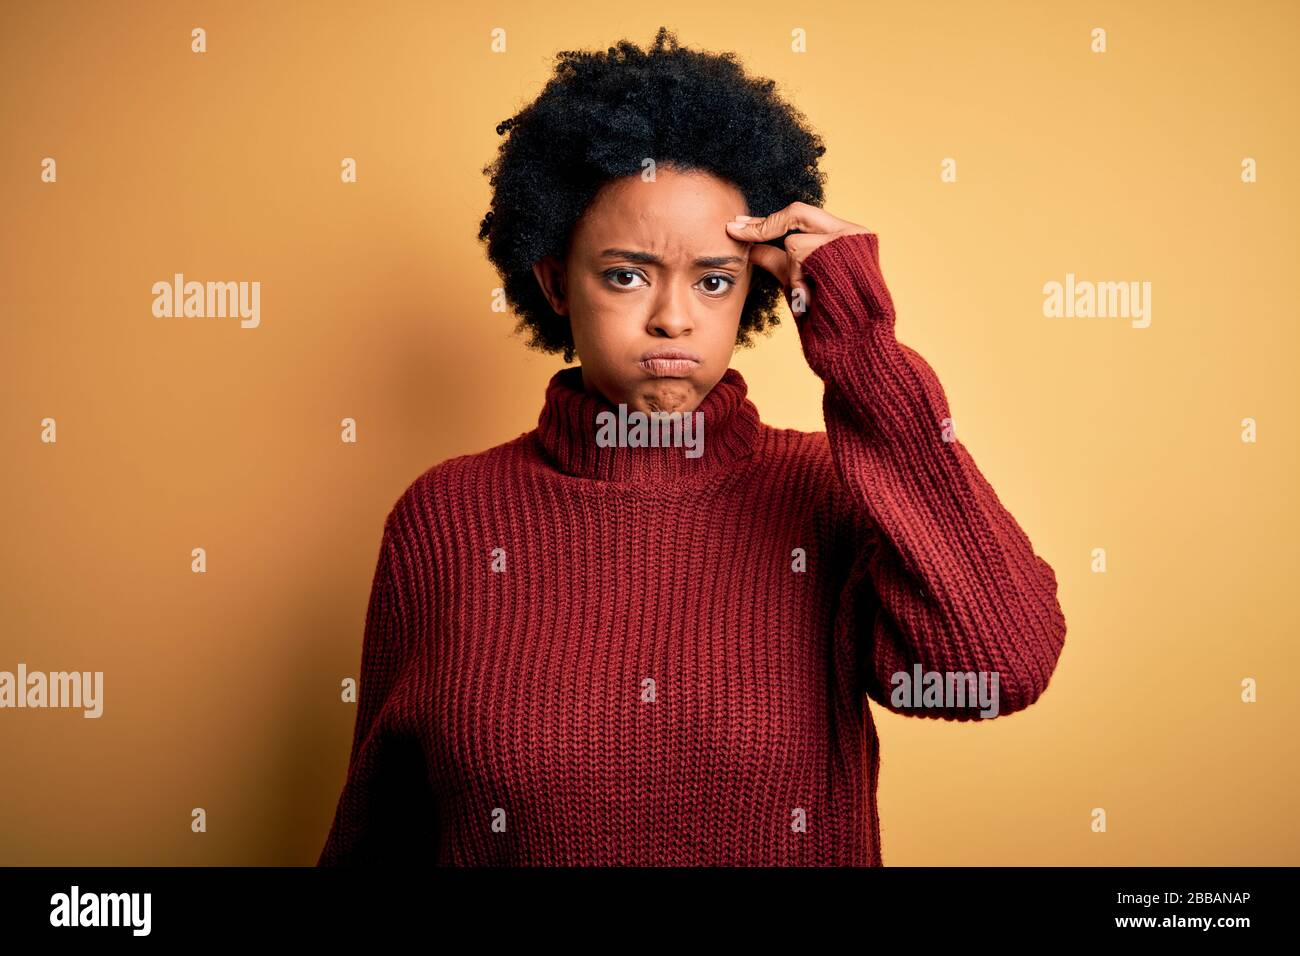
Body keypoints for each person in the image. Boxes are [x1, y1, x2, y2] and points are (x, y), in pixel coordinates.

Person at [317, 26, 1067, 866]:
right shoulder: (446, 518)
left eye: (714, 280)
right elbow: (381, 833)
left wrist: (855, 333)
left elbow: (1002, 665)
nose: (674, 317)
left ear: (753, 290)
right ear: (554, 282)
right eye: (627, 275)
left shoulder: (825, 494)